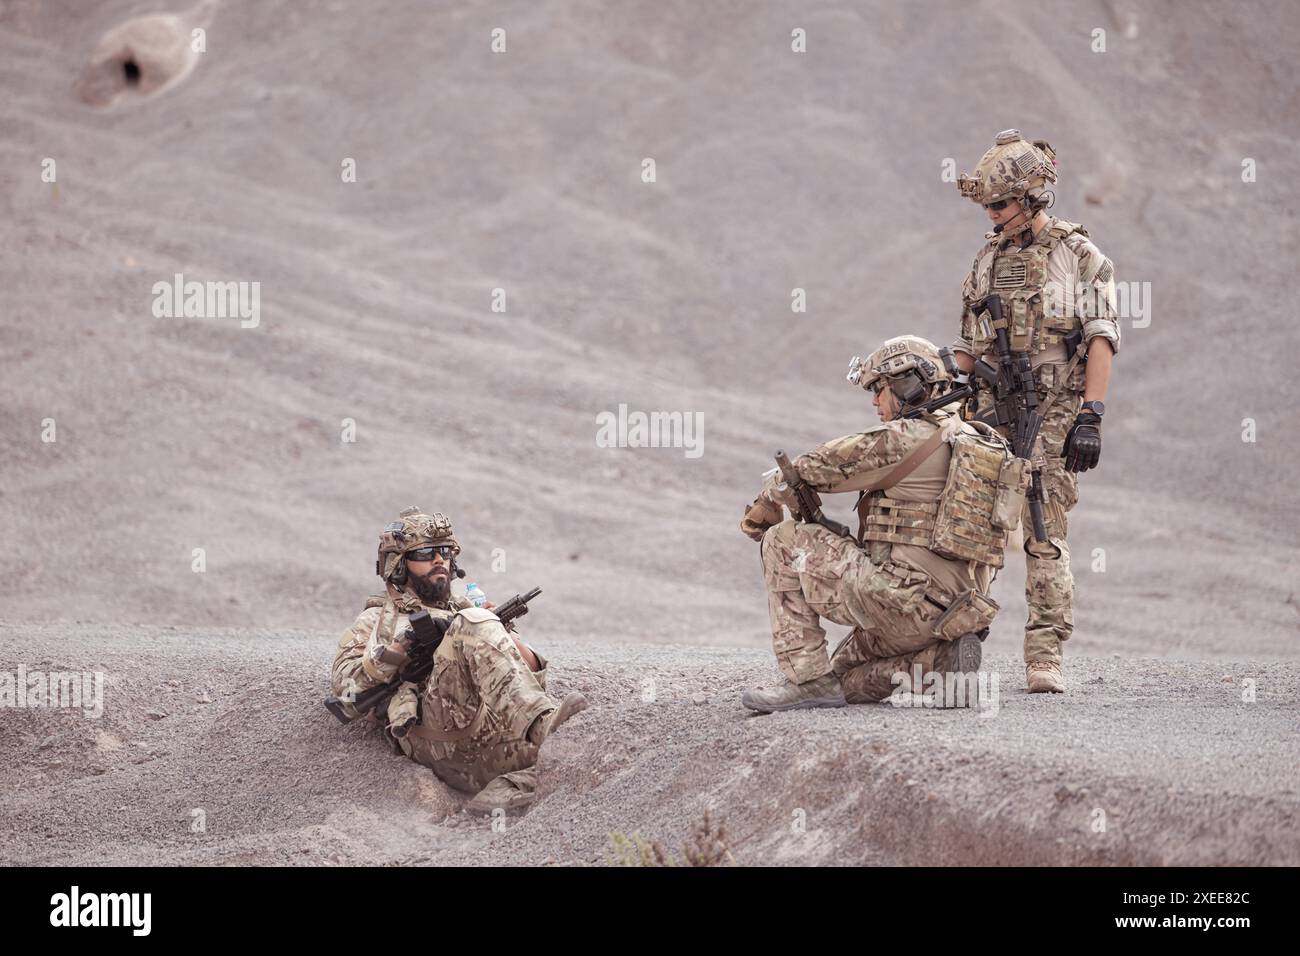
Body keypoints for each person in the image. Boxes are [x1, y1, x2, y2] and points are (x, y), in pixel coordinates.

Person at [740, 336, 1020, 710]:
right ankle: (935, 665)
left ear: (908, 384)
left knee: (782, 540)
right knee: (841, 679)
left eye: (880, 389)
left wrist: (766, 507)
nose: (874, 401)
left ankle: (805, 679)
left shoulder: (903, 440)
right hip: (956, 614)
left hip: (901, 604)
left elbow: (809, 468)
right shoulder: (982, 440)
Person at [954, 129, 1121, 693]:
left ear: (1032, 197)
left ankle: (1044, 653)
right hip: (990, 410)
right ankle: (958, 642)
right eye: (988, 206)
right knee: (971, 527)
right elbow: (968, 348)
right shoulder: (986, 257)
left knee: (1043, 531)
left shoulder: (1078, 257)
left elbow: (1101, 337)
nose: (993, 214)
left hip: (1052, 412)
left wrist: (1091, 415)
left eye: (1000, 203)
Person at [330, 507, 587, 813]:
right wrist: (398, 652)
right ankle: (542, 728)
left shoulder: (466, 610)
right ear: (399, 564)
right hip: (438, 738)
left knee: (574, 754)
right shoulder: (378, 619)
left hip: (486, 744)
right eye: (426, 552)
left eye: (445, 551)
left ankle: (507, 786)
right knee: (473, 621)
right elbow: (344, 685)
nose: (440, 559)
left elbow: (533, 672)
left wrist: (495, 632)